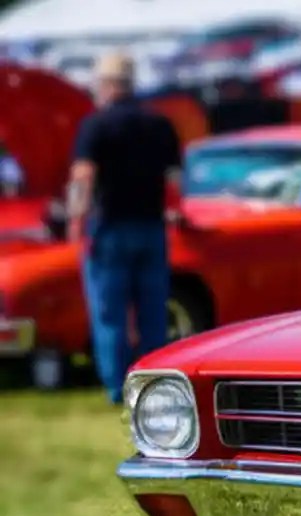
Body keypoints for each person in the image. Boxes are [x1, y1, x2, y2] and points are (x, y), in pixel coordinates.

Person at [66, 53, 182, 405]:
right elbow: (176, 180)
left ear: (105, 85)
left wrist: (75, 217)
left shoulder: (95, 125)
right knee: (152, 312)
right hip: (151, 228)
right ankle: (154, 385)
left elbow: (83, 177)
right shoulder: (160, 125)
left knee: (110, 313)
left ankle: (118, 389)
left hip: (110, 230)